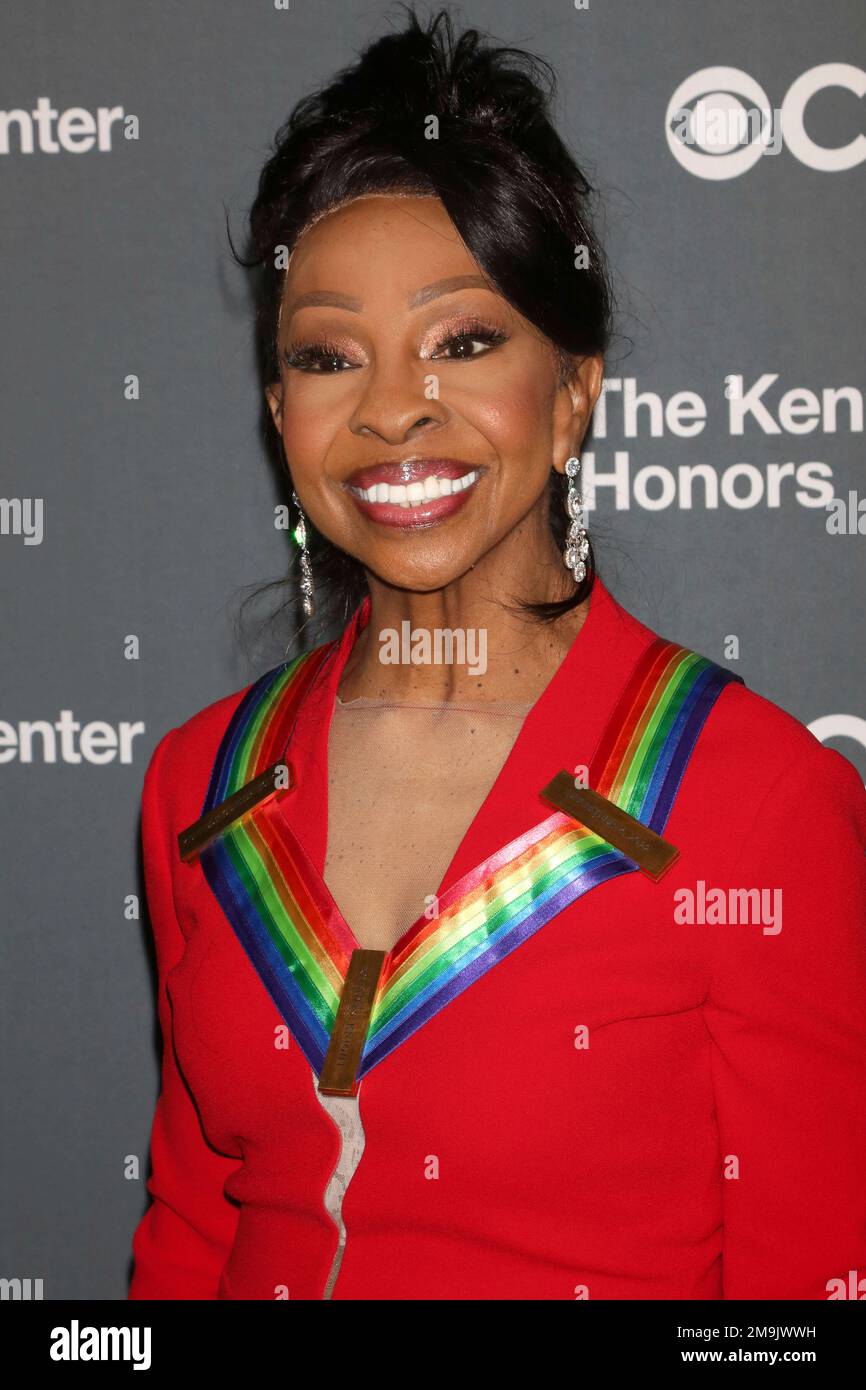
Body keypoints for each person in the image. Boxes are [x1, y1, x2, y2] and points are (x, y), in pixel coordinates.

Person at [128, 8, 866, 1301]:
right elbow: (190, 1239)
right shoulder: (200, 787)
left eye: (463, 342)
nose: (393, 406)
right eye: (325, 356)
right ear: (277, 410)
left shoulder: (750, 799)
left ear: (573, 388)